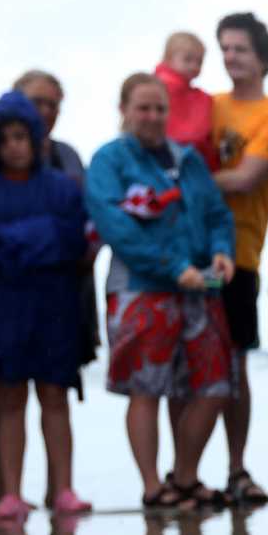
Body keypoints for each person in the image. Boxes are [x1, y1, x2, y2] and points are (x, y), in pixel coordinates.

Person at [85, 72, 235, 512]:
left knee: (213, 386)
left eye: (160, 108)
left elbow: (216, 214)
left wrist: (223, 252)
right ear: (124, 110)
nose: (152, 117)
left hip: (200, 290)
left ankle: (185, 476)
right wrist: (173, 268)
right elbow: (116, 227)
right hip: (141, 290)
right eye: (143, 108)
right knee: (146, 389)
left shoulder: (189, 160)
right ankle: (153, 487)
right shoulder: (109, 161)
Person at [0, 91, 92, 519]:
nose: (14, 146)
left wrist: (14, 239)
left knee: (55, 395)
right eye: (5, 138)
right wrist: (30, 237)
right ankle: (9, 490)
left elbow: (71, 238)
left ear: (35, 139)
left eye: (21, 136)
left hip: (53, 304)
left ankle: (62, 488)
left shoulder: (60, 187)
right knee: (8, 397)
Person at [207, 11, 268, 506]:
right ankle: (185, 473)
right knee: (190, 371)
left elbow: (246, 178)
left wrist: (183, 183)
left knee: (234, 368)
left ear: (262, 56)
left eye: (240, 48)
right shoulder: (206, 105)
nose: (230, 57)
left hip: (241, 255)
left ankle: (236, 467)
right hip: (189, 253)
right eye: (225, 48)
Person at [11, 70, 102, 378]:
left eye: (54, 105)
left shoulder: (69, 156)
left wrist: (92, 247)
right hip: (12, 292)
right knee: (8, 394)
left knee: (57, 393)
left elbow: (96, 213)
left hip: (67, 292)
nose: (47, 111)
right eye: (38, 102)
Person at [156, 32, 218, 172]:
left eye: (199, 62)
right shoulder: (164, 87)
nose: (194, 66)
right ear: (168, 58)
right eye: (188, 60)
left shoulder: (192, 93)